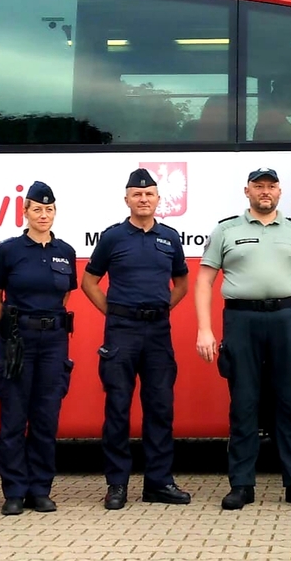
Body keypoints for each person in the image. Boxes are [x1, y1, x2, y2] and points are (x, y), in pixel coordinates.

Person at [195, 167, 291, 510]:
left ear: (279, 192)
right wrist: (204, 329)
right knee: (244, 404)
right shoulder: (226, 230)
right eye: (258, 186)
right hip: (241, 320)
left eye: (271, 186)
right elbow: (204, 281)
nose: (265, 191)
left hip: (286, 319)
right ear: (247, 191)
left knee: (290, 404)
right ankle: (241, 485)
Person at [83, 169, 191, 511]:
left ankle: (159, 483)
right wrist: (114, 313)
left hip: (158, 332)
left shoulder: (170, 238)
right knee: (118, 408)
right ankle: (117, 484)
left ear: (158, 199)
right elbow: (89, 282)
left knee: (160, 408)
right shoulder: (113, 237)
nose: (143, 199)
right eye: (137, 194)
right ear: (127, 199)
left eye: (149, 194)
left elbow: (182, 284)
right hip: (122, 332)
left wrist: (161, 309)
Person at [0, 181, 77, 516]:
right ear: (25, 212)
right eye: (37, 209)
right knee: (13, 416)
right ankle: (14, 490)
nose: (43, 214)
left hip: (53, 341)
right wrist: (11, 329)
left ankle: (40, 489)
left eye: (48, 209)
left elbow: (65, 294)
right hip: (17, 341)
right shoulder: (8, 251)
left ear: (55, 212)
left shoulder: (65, 251)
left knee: (45, 417)